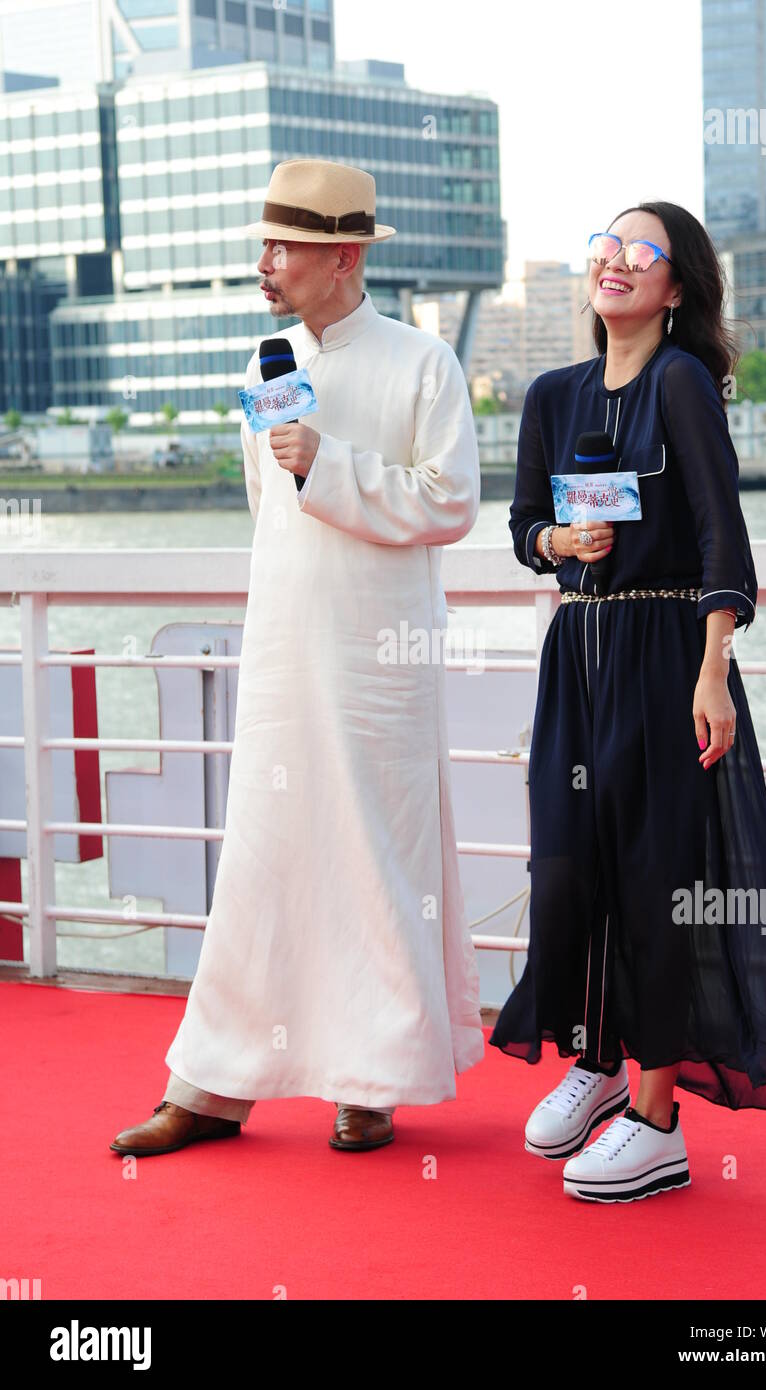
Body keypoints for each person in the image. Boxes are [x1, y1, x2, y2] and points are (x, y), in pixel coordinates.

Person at [110, 158, 484, 1158]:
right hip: (282, 637)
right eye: (264, 246)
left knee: (375, 849)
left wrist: (329, 462)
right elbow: (263, 509)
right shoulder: (262, 360)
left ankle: (373, 1076)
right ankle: (213, 1083)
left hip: (380, 653)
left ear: (343, 255)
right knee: (265, 853)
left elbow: (450, 502)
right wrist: (306, 493)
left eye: (283, 248)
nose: (264, 265)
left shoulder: (422, 362)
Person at [488, 201, 766, 1203]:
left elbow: (722, 533)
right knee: (564, 869)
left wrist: (712, 668)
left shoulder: (680, 383)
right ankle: (593, 1061)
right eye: (602, 248)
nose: (614, 263)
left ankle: (657, 1113)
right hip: (577, 649)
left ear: (674, 287)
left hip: (666, 646)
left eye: (641, 252)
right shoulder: (551, 395)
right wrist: (558, 544)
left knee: (656, 876)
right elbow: (520, 524)